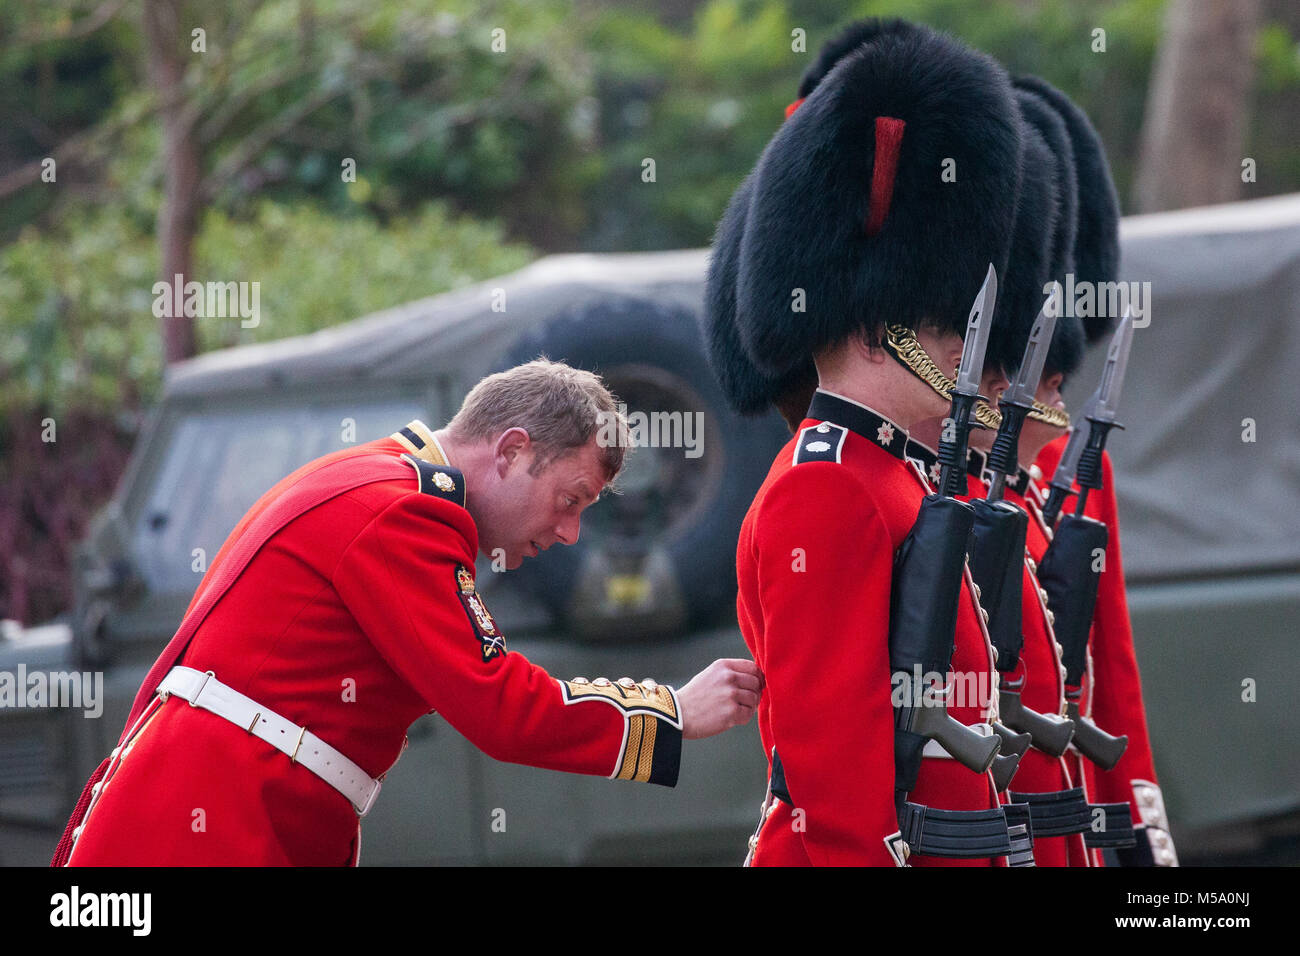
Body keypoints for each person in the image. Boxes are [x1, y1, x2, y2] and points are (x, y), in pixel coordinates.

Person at [55, 359, 762, 866]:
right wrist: (667, 712)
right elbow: (497, 707)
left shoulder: (382, 482)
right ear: (512, 452)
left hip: (232, 809)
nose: (570, 534)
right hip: (212, 822)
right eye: (571, 499)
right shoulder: (405, 511)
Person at [706, 21, 1029, 866]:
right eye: (947, 321)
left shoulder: (896, 474)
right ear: (883, 330)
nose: (970, 349)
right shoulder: (829, 485)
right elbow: (834, 771)